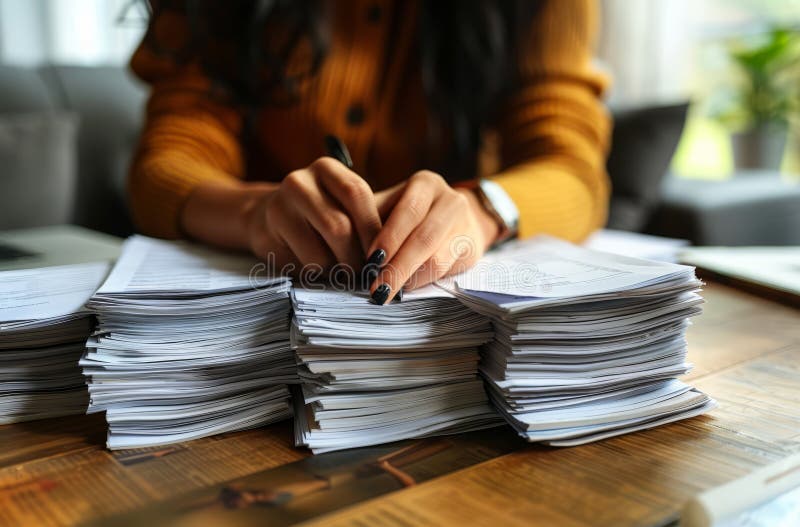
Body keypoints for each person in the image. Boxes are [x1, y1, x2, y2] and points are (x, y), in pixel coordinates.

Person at [128, 0, 610, 304]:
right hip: (264, 301)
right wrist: (255, 211)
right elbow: (166, 163)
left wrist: (481, 210)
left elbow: (572, 167)